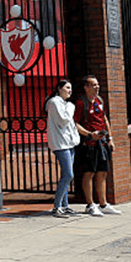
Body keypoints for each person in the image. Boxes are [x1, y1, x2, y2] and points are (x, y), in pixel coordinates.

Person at [76, 75, 120, 216]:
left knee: (103, 172)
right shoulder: (81, 103)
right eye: (94, 85)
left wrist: (110, 138)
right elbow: (75, 123)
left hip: (102, 142)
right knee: (89, 172)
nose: (97, 87)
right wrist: (89, 134)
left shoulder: (99, 100)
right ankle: (90, 204)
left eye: (97, 84)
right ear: (86, 87)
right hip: (89, 143)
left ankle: (103, 203)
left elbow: (104, 118)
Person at [46, 80, 82, 218]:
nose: (69, 90)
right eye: (67, 87)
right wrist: (71, 107)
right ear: (59, 89)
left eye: (71, 88)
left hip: (69, 143)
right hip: (60, 144)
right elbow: (63, 120)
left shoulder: (65, 104)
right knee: (68, 174)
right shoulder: (55, 102)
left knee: (66, 176)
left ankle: (65, 205)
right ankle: (57, 207)